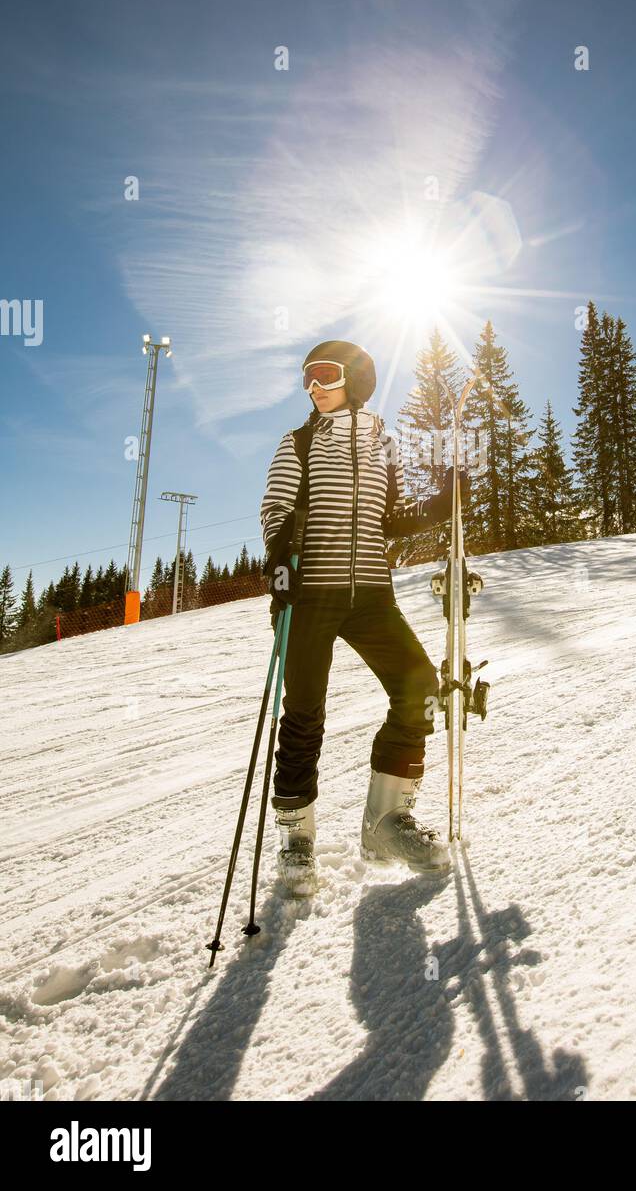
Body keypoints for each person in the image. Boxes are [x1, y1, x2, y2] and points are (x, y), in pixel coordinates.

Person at [260, 340, 469, 896]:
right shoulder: (298, 442)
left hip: (373, 594)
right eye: (306, 379)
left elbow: (391, 519)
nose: (313, 386)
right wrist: (280, 568)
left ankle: (385, 823)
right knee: (304, 711)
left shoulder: (384, 440)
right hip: (312, 594)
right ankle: (296, 838)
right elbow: (276, 511)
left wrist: (440, 502)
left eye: (324, 374)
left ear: (353, 378)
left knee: (420, 685)